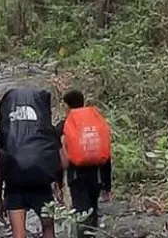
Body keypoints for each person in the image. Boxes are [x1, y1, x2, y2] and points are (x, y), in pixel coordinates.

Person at [0, 88, 63, 238]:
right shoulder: (45, 129)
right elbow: (58, 158)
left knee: (19, 235)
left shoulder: (7, 131)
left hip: (14, 186)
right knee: (49, 230)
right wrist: (59, 186)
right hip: (41, 184)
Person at [57, 90, 113, 236]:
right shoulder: (95, 122)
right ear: (83, 102)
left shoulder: (63, 125)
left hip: (76, 177)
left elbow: (58, 155)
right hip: (97, 176)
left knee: (81, 212)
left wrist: (58, 184)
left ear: (67, 106)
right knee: (93, 210)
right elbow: (106, 153)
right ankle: (92, 233)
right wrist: (108, 185)